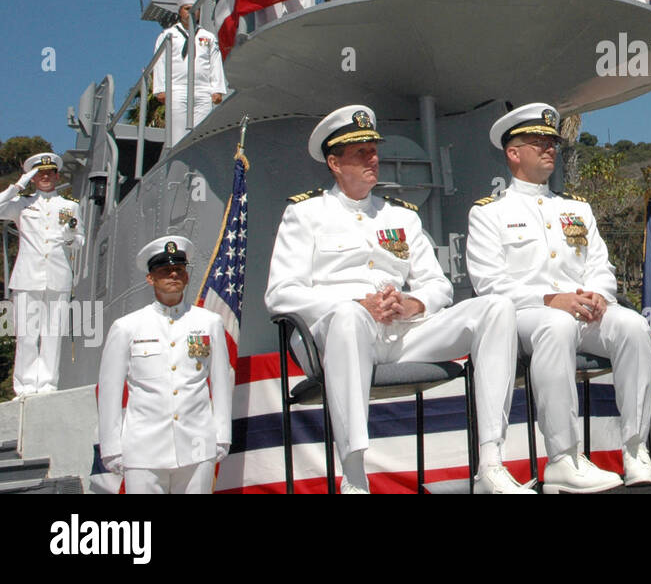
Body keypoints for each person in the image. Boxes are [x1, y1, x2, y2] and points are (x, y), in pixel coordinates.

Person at [264, 105, 529, 494]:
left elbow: (437, 285)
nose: (373, 159)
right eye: (360, 153)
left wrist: (413, 304)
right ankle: (354, 478)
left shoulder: (401, 217)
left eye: (374, 150)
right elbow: (280, 293)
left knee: (496, 308)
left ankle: (490, 463)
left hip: (403, 334)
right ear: (335, 163)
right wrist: (357, 305)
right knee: (350, 319)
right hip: (337, 339)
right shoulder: (305, 214)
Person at [466, 103, 651, 492]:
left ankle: (635, 449)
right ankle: (563, 458)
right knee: (555, 326)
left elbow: (600, 264)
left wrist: (600, 295)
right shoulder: (489, 213)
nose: (549, 148)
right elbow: (490, 285)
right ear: (513, 153)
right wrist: (552, 300)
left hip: (584, 313)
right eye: (537, 143)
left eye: (552, 141)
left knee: (635, 327)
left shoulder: (577, 208)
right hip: (525, 318)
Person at [97, 235, 232, 493]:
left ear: (187, 276)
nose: (173, 275)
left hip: (197, 444)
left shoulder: (208, 322)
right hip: (143, 450)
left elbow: (221, 383)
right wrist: (112, 449)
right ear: (151, 278)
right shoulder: (127, 327)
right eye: (164, 271)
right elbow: (110, 392)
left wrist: (222, 435)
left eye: (179, 270)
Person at [0, 153, 83, 395]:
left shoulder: (69, 206)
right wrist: (18, 185)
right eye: (40, 174)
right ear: (34, 178)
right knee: (26, 334)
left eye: (49, 173)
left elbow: (79, 241)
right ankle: (24, 386)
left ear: (57, 175)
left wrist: (70, 235)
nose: (45, 177)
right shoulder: (21, 204)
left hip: (58, 276)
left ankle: (47, 384)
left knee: (52, 334)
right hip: (27, 276)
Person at [151, 0, 227, 144]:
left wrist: (217, 89)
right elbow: (160, 61)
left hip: (203, 89)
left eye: (195, 9)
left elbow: (215, 62)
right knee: (177, 132)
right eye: (187, 9)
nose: (191, 12)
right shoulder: (168, 35)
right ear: (180, 12)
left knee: (201, 132)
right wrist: (160, 88)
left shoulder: (208, 37)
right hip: (177, 88)